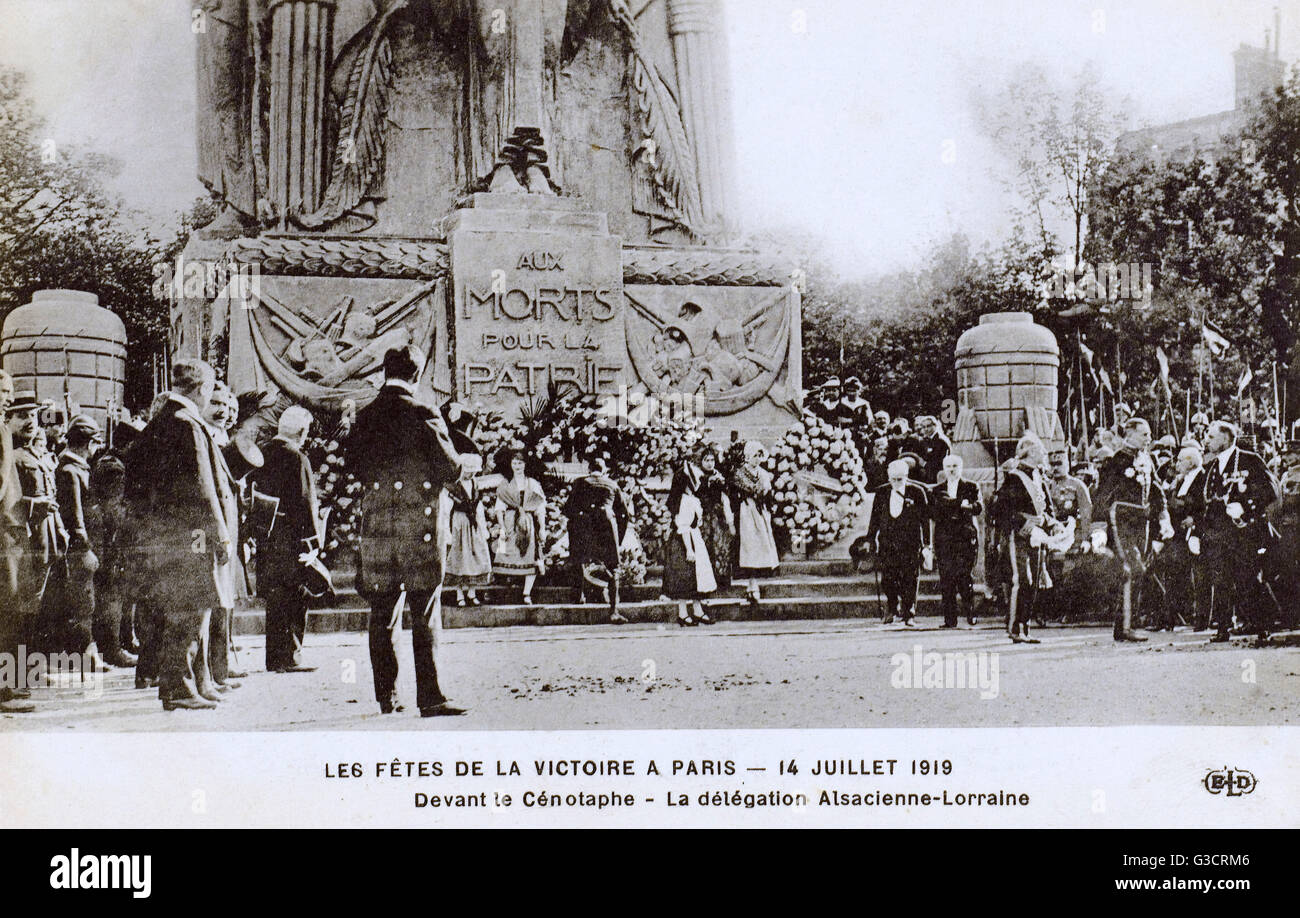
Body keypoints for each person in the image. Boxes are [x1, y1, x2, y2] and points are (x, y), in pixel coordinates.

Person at [344, 345, 466, 716]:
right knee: (424, 612)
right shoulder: (423, 412)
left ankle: (388, 697)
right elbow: (449, 468)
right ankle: (431, 697)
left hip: (378, 525)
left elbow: (352, 464)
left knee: (382, 612)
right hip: (418, 526)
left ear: (385, 371)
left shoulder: (366, 415)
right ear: (417, 374)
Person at [125, 359, 230, 710]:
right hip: (191, 533)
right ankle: (179, 688)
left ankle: (198, 680)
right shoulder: (186, 423)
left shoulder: (159, 422)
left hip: (164, 533)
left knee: (186, 604)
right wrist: (220, 534)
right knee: (191, 605)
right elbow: (201, 488)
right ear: (201, 388)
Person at [1092, 417, 1174, 643]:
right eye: (1144, 434)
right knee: (1133, 568)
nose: (1149, 438)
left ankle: (1124, 625)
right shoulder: (1116, 460)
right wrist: (1098, 527)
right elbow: (1102, 494)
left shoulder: (1147, 458)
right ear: (1129, 434)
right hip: (1122, 519)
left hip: (1142, 521)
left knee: (1138, 570)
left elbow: (1156, 489)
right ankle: (1126, 627)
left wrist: (1163, 516)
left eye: (1149, 434)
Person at [253, 405, 321, 673]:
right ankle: (290, 657)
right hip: (291, 538)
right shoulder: (297, 457)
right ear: (302, 432)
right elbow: (304, 502)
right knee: (295, 596)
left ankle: (273, 658)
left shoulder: (262, 452)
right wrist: (312, 542)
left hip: (267, 536)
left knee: (275, 599)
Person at [1198, 420, 1277, 643]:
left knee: (1248, 579)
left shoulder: (1249, 460)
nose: (1206, 440)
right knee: (1221, 581)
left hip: (1244, 531)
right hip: (1219, 534)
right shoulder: (1212, 466)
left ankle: (1263, 627)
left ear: (1225, 438)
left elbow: (1270, 490)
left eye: (1211, 437)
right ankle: (1223, 628)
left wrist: (1246, 506)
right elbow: (1208, 502)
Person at [9, 391, 67, 655]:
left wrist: (60, 531)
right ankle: (18, 665)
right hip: (19, 545)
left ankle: (30, 661)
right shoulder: (10, 456)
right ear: (8, 420)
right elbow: (7, 501)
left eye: (33, 415)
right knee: (19, 609)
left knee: (38, 606)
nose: (30, 421)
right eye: (22, 416)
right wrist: (34, 506)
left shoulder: (36, 454)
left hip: (45, 543)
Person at [50, 416, 109, 664]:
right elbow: (75, 517)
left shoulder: (77, 467)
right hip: (80, 549)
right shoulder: (70, 471)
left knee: (85, 601)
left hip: (87, 546)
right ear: (88, 443)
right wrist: (85, 548)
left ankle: (84, 654)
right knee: (83, 603)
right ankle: (86, 655)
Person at [988, 433, 1057, 644]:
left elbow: (1047, 508)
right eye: (1041, 450)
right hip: (1018, 535)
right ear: (1031, 452)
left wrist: (1051, 523)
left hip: (1037, 536)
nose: (1044, 454)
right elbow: (1000, 509)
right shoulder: (1014, 478)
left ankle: (1025, 627)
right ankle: (1015, 628)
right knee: (1022, 580)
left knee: (1034, 582)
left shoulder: (1038, 476)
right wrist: (1025, 523)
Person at [0, 373, 35, 713]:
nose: (7, 397)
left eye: (8, 391)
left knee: (12, 607)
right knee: (7, 609)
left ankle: (10, 682)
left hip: (11, 531)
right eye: (2, 392)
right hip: (5, 530)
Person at [562, 455, 631, 623]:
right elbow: (624, 514)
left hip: (584, 527)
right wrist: (618, 538)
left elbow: (568, 508)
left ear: (589, 470)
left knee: (579, 561)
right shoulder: (612, 485)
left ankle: (579, 598)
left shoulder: (580, 482)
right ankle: (614, 611)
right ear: (604, 470)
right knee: (613, 567)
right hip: (607, 528)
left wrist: (576, 525)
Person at [865, 458, 930, 626]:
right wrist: (870, 538)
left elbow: (925, 520)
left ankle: (909, 612)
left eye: (899, 479)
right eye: (892, 479)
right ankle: (892, 608)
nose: (895, 483)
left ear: (906, 477)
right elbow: (874, 518)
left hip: (910, 543)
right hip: (888, 542)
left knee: (910, 578)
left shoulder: (917, 492)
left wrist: (927, 544)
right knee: (888, 578)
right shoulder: (882, 492)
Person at [1161, 444, 1210, 631]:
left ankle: (1201, 618)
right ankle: (1169, 618)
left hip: (1196, 533)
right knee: (1173, 574)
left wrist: (1195, 519)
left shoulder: (1204, 477)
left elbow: (1206, 504)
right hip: (1178, 533)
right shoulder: (1180, 480)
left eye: (1181, 460)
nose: (1177, 464)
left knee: (1200, 577)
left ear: (1190, 462)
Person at [929, 453, 981, 627]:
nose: (951, 470)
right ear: (944, 469)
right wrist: (959, 505)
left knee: (965, 577)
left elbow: (978, 507)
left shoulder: (971, 487)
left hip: (964, 538)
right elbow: (934, 512)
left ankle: (970, 612)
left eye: (955, 466)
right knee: (946, 579)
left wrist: (964, 506)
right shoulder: (937, 490)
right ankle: (950, 619)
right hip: (944, 539)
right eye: (948, 467)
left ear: (961, 468)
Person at [662, 464, 716, 626]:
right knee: (685, 577)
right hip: (685, 540)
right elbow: (684, 526)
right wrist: (689, 550)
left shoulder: (691, 499)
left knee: (695, 578)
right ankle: (683, 613)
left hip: (693, 537)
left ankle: (697, 610)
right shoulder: (685, 501)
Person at [492, 450, 547, 604]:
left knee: (530, 556)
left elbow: (540, 508)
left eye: (520, 463)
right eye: (514, 463)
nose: (517, 466)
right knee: (504, 552)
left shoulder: (532, 483)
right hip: (509, 521)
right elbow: (499, 508)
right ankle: (505, 591)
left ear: (525, 465)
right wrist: (502, 527)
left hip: (527, 524)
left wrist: (542, 528)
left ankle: (526, 593)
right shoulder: (506, 484)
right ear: (511, 465)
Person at [732, 440, 779, 605]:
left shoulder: (763, 474)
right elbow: (737, 494)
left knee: (761, 545)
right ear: (747, 456)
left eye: (760, 456)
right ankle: (751, 584)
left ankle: (755, 584)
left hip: (760, 512)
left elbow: (767, 493)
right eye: (754, 456)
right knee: (748, 546)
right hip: (745, 512)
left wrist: (767, 503)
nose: (757, 459)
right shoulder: (739, 474)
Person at [445, 451, 493, 609]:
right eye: (468, 470)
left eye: (473, 471)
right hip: (459, 523)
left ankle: (472, 593)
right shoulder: (453, 487)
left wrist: (483, 528)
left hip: (473, 524)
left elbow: (478, 508)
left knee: (475, 556)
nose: (470, 474)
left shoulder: (475, 485)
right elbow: (447, 510)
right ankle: (459, 594)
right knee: (459, 557)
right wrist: (447, 530)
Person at [695, 445, 734, 591]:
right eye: (706, 460)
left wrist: (729, 521)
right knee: (706, 547)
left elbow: (725, 499)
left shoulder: (719, 477)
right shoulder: (697, 478)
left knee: (721, 546)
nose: (710, 463)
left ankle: (721, 580)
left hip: (718, 518)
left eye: (712, 460)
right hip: (703, 517)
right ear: (701, 461)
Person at [909, 415, 951, 485]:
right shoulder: (926, 440)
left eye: (928, 426)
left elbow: (939, 463)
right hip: (927, 475)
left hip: (937, 476)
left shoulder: (941, 441)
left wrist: (924, 464)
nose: (926, 429)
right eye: (923, 427)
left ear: (935, 426)